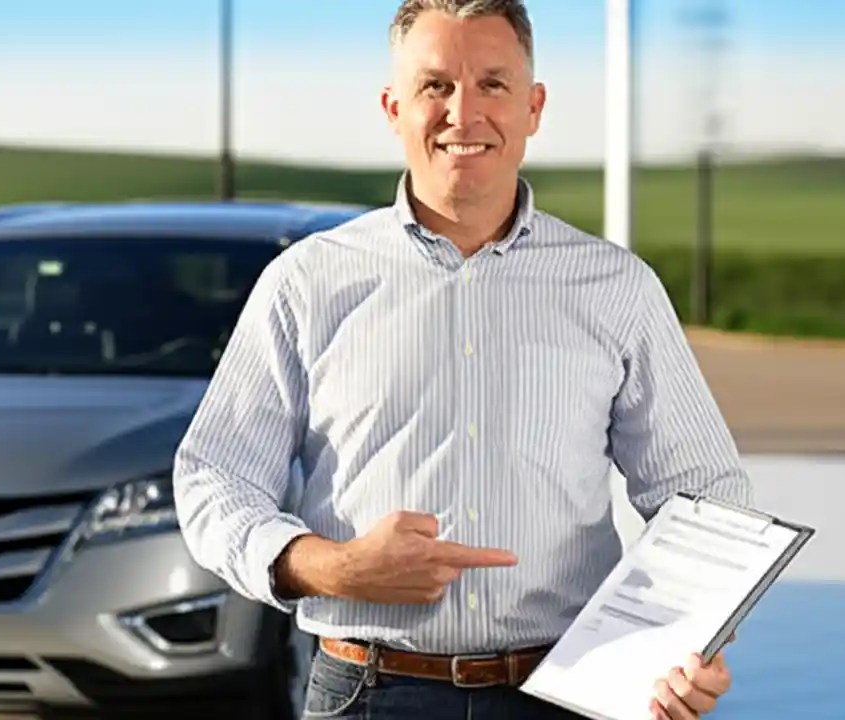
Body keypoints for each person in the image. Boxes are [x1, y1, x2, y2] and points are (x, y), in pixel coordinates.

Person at [172, 1, 751, 718]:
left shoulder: (616, 288)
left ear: (534, 107)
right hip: (365, 694)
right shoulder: (308, 282)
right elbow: (214, 481)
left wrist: (684, 645)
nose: (463, 113)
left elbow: (705, 499)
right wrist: (333, 566)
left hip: (566, 695)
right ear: (393, 108)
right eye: (435, 86)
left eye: (493, 85)